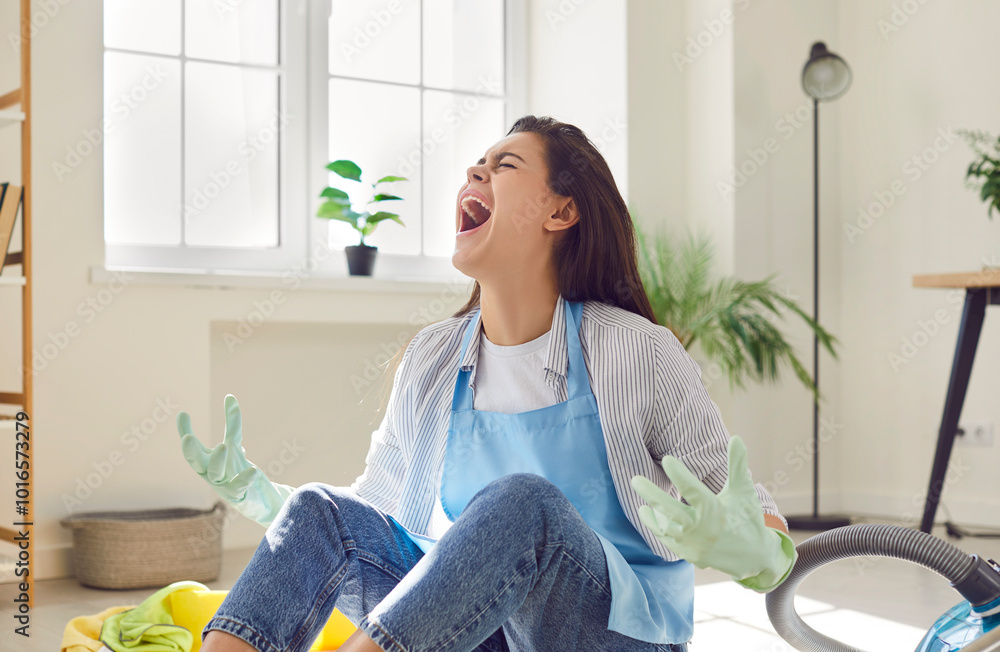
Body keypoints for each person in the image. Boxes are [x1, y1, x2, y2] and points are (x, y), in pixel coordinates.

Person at [178, 116, 796, 652]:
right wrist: (271, 502)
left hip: (611, 639)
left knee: (520, 502)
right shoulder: (434, 357)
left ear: (561, 210)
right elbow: (375, 508)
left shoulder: (636, 351)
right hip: (480, 634)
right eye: (473, 167)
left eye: (502, 165)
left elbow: (752, 513)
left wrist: (754, 551)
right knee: (319, 509)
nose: (473, 176)